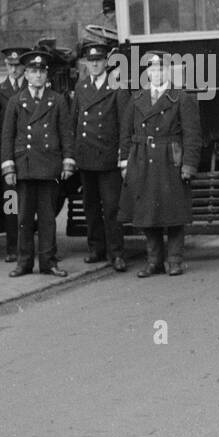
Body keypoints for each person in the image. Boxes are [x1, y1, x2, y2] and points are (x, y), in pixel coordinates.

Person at [118, 51, 202, 277]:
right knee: (147, 215)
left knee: (173, 214)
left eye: (161, 69)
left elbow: (192, 136)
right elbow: (126, 134)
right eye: (152, 70)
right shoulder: (136, 99)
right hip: (142, 162)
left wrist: (188, 166)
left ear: (168, 71)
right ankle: (154, 261)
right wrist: (125, 163)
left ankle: (174, 261)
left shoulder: (182, 98)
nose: (156, 74)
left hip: (170, 162)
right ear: (147, 73)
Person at [1, 50, 74, 277]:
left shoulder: (58, 100)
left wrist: (67, 163)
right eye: (33, 71)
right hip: (25, 167)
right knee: (23, 218)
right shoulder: (16, 101)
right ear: (26, 74)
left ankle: (48, 262)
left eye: (41, 72)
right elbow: (7, 137)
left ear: (46, 74)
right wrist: (8, 167)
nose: (38, 76)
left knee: (47, 219)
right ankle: (24, 263)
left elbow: (66, 134)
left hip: (48, 167)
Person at [71, 43, 128, 272]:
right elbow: (74, 122)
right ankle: (96, 249)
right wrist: (73, 155)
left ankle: (117, 253)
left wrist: (123, 156)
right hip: (86, 157)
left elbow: (125, 126)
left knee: (112, 207)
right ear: (86, 63)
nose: (94, 64)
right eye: (90, 61)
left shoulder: (117, 88)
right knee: (90, 206)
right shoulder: (82, 86)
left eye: (98, 60)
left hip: (108, 157)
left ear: (106, 62)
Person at [0, 46, 28, 263]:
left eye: (18, 65)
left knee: (30, 203)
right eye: (10, 65)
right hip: (9, 157)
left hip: (29, 155)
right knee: (10, 203)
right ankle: (12, 247)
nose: (14, 70)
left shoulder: (33, 88)